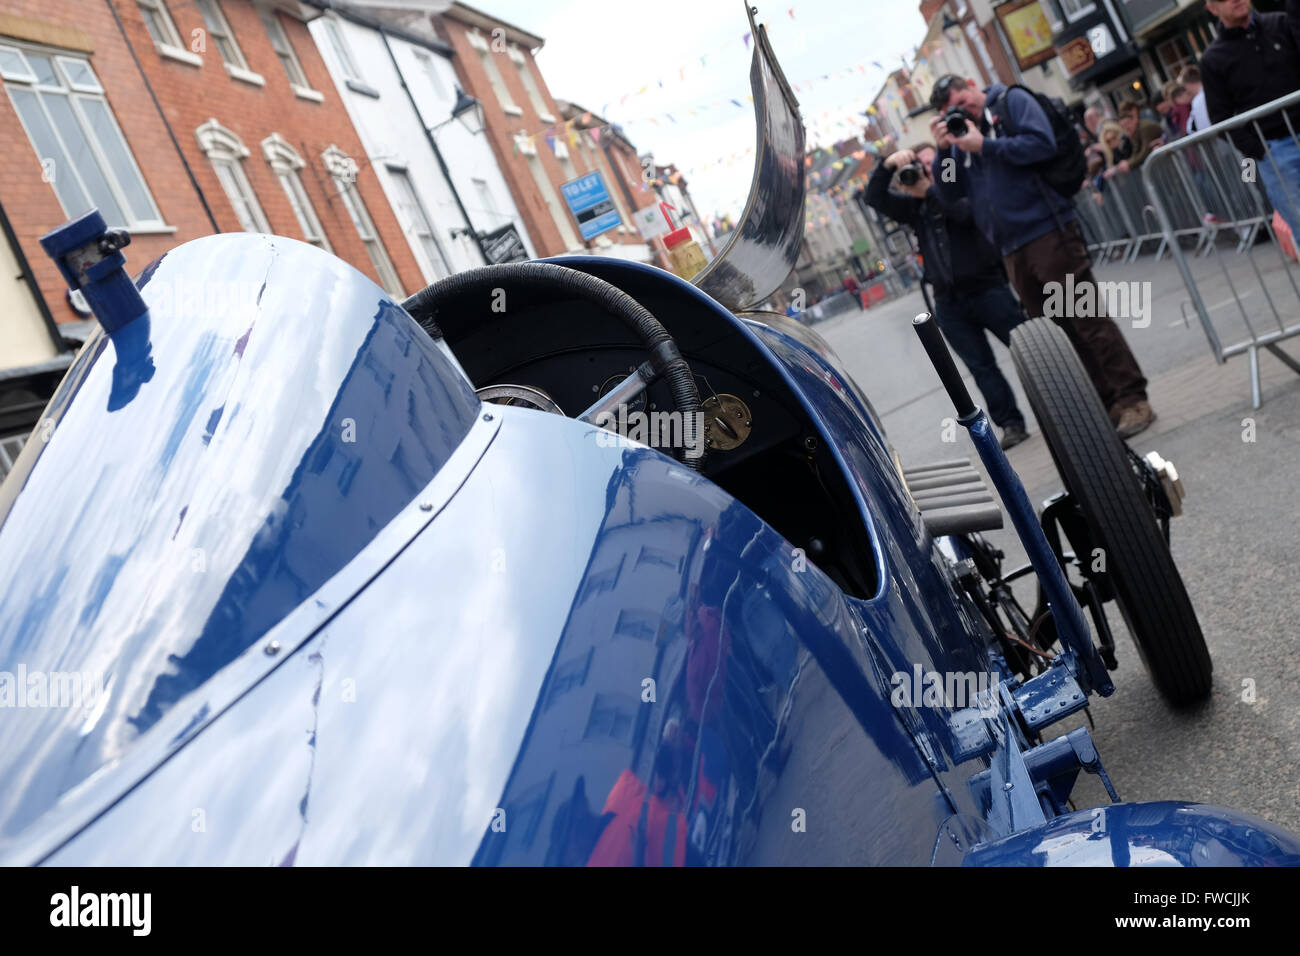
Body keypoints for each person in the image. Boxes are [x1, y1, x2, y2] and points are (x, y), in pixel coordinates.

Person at [929, 74, 1156, 437]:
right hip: (1010, 248)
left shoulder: (1010, 103)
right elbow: (950, 190)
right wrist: (944, 150)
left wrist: (986, 145)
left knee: (1086, 318)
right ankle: (1106, 406)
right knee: (1059, 333)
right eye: (951, 110)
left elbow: (1041, 145)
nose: (962, 110)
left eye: (963, 100)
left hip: (1047, 231)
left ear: (973, 84)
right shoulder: (962, 135)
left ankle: (1132, 399)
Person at [865, 143, 1030, 448]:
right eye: (919, 168)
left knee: (1029, 349)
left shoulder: (959, 188)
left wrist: (930, 190)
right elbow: (873, 198)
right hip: (949, 303)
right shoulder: (916, 208)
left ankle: (1065, 402)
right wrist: (889, 165)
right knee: (981, 368)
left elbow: (963, 214)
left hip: (987, 289)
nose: (925, 172)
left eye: (929, 165)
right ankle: (1011, 424)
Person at [1201, 0, 1300, 238]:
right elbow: (1221, 118)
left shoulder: (1281, 23)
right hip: (1276, 151)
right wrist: (1260, 151)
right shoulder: (1213, 59)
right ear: (1213, 8)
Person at [1116, 101, 1166, 172]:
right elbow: (1136, 151)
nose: (1126, 127)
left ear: (1135, 119)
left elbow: (1145, 151)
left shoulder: (1144, 127)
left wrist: (1129, 164)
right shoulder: (1134, 131)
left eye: (1127, 123)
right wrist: (1128, 163)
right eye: (1123, 126)